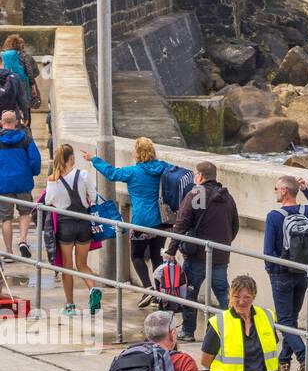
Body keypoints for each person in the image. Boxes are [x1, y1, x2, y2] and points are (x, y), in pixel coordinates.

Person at [164, 160, 239, 341]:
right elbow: (234, 226)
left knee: (190, 292)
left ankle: (188, 331)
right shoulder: (227, 197)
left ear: (199, 176)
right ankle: (230, 328)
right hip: (220, 255)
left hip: (196, 254)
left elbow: (181, 224)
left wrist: (171, 250)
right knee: (223, 293)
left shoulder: (196, 194)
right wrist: (224, 244)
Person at [86, 137, 168, 298]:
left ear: (137, 154)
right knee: (157, 257)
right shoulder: (162, 168)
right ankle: (160, 294)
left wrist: (94, 159)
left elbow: (112, 173)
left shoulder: (132, 172)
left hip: (141, 221)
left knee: (136, 256)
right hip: (160, 222)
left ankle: (148, 289)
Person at [263, 175, 308, 371]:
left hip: (282, 273)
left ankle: (304, 357)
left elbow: (268, 250)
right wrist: (306, 190)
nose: (275, 192)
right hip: (303, 272)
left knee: (285, 321)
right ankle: (284, 361)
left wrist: (271, 270)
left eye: (276, 188)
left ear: (284, 191)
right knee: (292, 320)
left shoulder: (274, 216)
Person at [41, 143, 102, 317]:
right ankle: (93, 290)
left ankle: (70, 306)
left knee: (67, 266)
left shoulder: (53, 179)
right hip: (84, 225)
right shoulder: (83, 175)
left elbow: (48, 201)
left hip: (65, 226)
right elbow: (94, 197)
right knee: (82, 264)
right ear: (72, 158)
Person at [0, 109, 41, 262]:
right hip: (23, 181)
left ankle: (9, 253)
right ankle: (23, 240)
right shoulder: (25, 138)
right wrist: (34, 172)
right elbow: (35, 159)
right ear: (16, 122)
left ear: (1, 123)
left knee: (6, 218)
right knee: (25, 212)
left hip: (3, 183)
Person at [1, 34, 40, 119]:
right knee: (25, 106)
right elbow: (32, 73)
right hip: (23, 84)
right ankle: (26, 125)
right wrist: (33, 87)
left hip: (7, 84)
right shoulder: (24, 56)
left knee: (11, 107)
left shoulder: (3, 56)